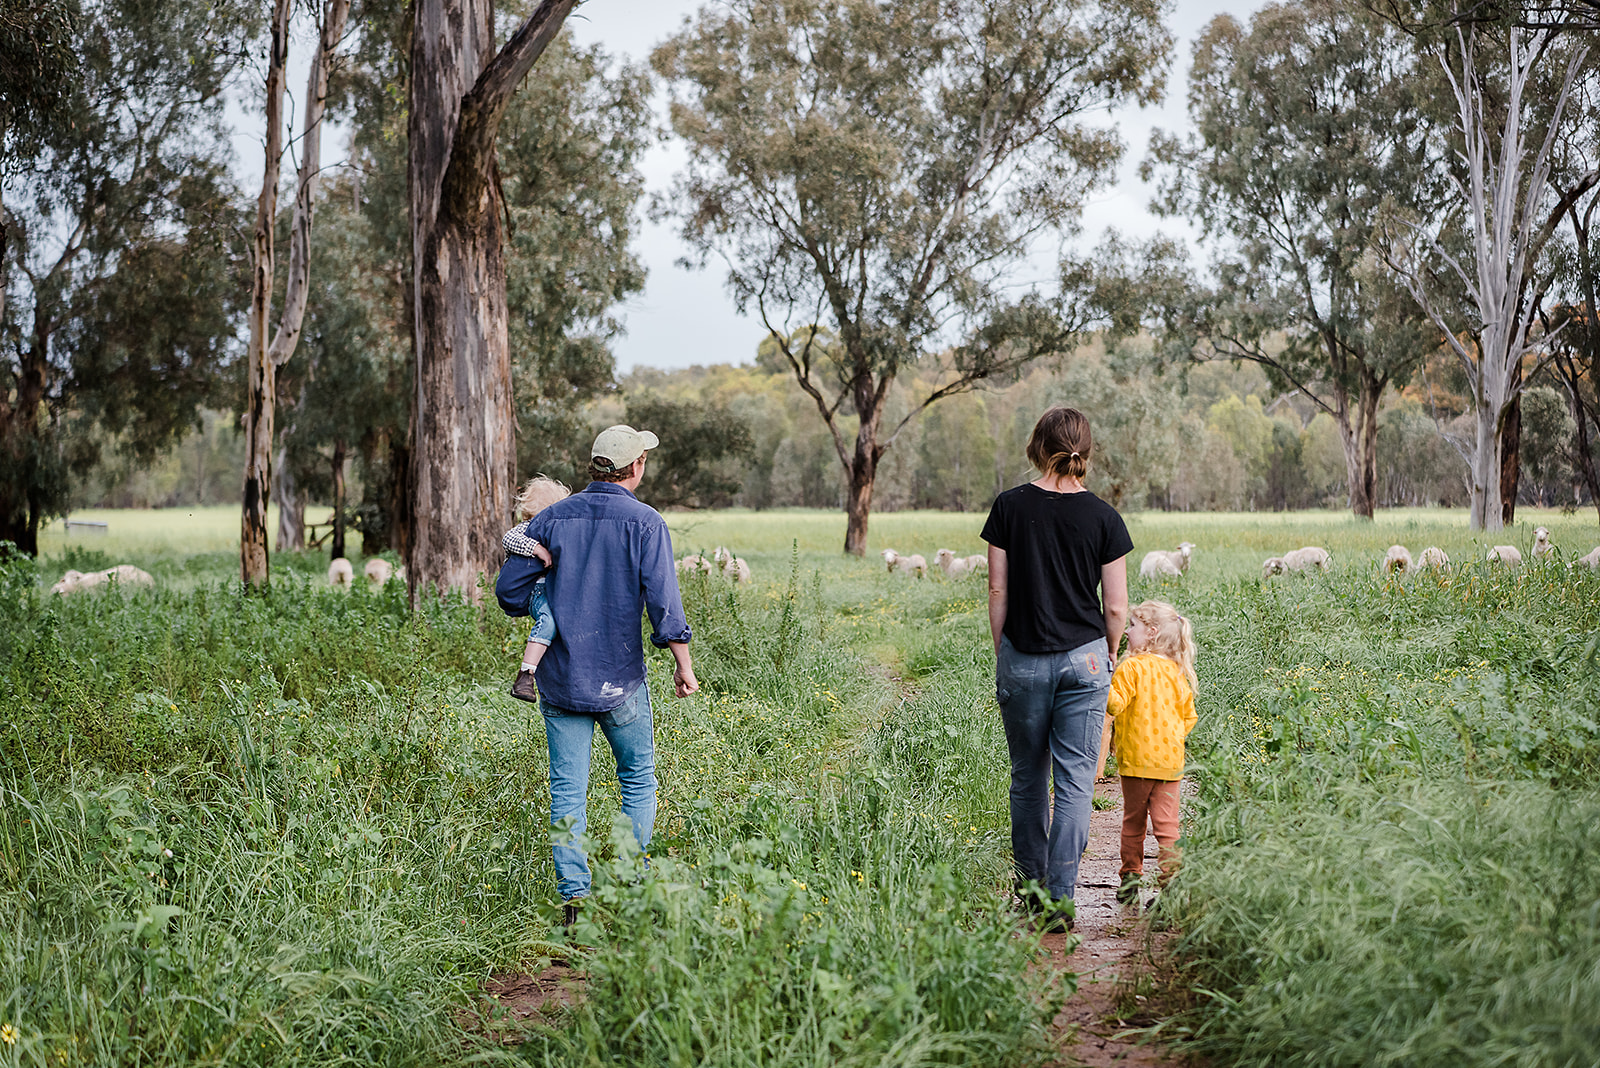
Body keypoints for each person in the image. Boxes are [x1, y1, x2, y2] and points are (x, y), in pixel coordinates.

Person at [518, 425, 699, 925]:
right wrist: (683, 667)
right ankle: (630, 886)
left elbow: (512, 585)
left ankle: (574, 900)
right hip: (622, 682)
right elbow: (665, 603)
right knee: (638, 780)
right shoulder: (645, 523)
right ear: (635, 466)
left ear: (596, 465)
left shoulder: (553, 518)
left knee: (567, 792)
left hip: (559, 682)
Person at [981, 406, 1131, 931]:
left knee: (1028, 779)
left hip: (1023, 658)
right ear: (1085, 452)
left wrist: (1004, 651)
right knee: (1075, 784)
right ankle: (1061, 902)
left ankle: (1031, 893)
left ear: (1037, 446)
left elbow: (998, 589)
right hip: (1086, 658)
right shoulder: (1105, 518)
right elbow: (1116, 607)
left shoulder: (1008, 506)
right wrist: (1109, 653)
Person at [1105, 599, 1198, 903]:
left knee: (1133, 823)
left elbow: (1114, 704)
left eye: (1133, 626)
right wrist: (1171, 739)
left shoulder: (1130, 668)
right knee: (1168, 828)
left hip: (1136, 764)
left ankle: (1130, 880)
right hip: (1171, 764)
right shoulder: (1176, 672)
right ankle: (1171, 887)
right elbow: (1189, 717)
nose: (1128, 631)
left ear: (1151, 632)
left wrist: (1102, 680)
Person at [504, 476, 570, 702]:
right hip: (537, 590)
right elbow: (508, 538)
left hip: (555, 590)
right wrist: (537, 549)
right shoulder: (527, 528)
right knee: (548, 620)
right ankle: (525, 674)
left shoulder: (559, 530)